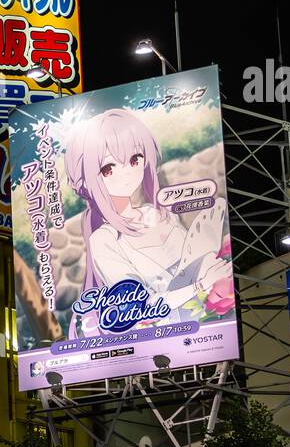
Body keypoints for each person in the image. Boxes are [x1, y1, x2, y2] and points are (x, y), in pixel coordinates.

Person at [63, 108, 231, 337]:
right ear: (87, 179)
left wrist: (213, 265)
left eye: (135, 159)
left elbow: (193, 257)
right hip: (166, 332)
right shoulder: (104, 239)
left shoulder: (157, 213)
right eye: (108, 168)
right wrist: (199, 286)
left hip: (207, 323)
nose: (126, 173)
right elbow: (140, 307)